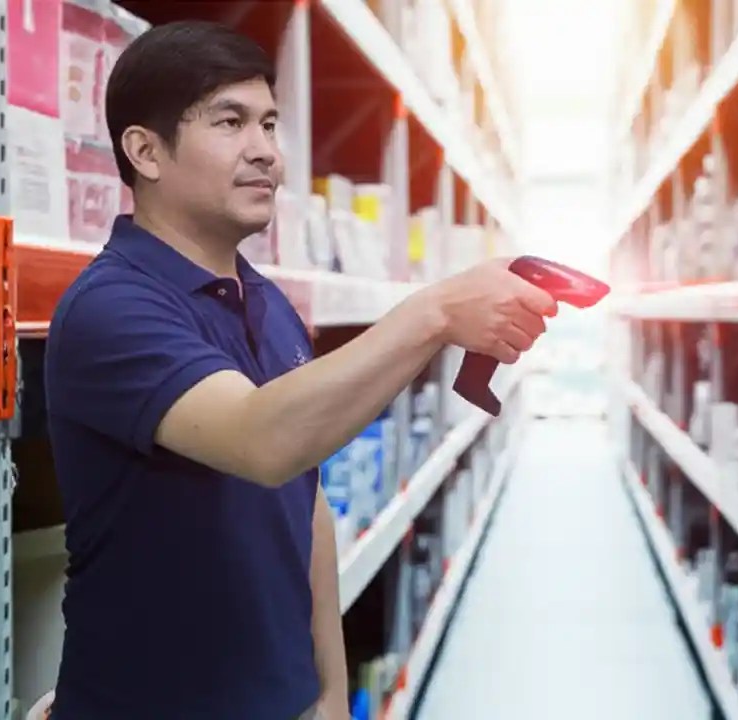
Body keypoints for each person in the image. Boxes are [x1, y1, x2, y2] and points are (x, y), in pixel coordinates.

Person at [43, 20, 556, 720]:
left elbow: (302, 497)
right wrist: (435, 313)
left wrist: (331, 691)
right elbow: (263, 442)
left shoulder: (269, 303)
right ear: (146, 151)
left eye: (270, 124)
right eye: (230, 122)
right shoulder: (111, 308)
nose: (265, 153)